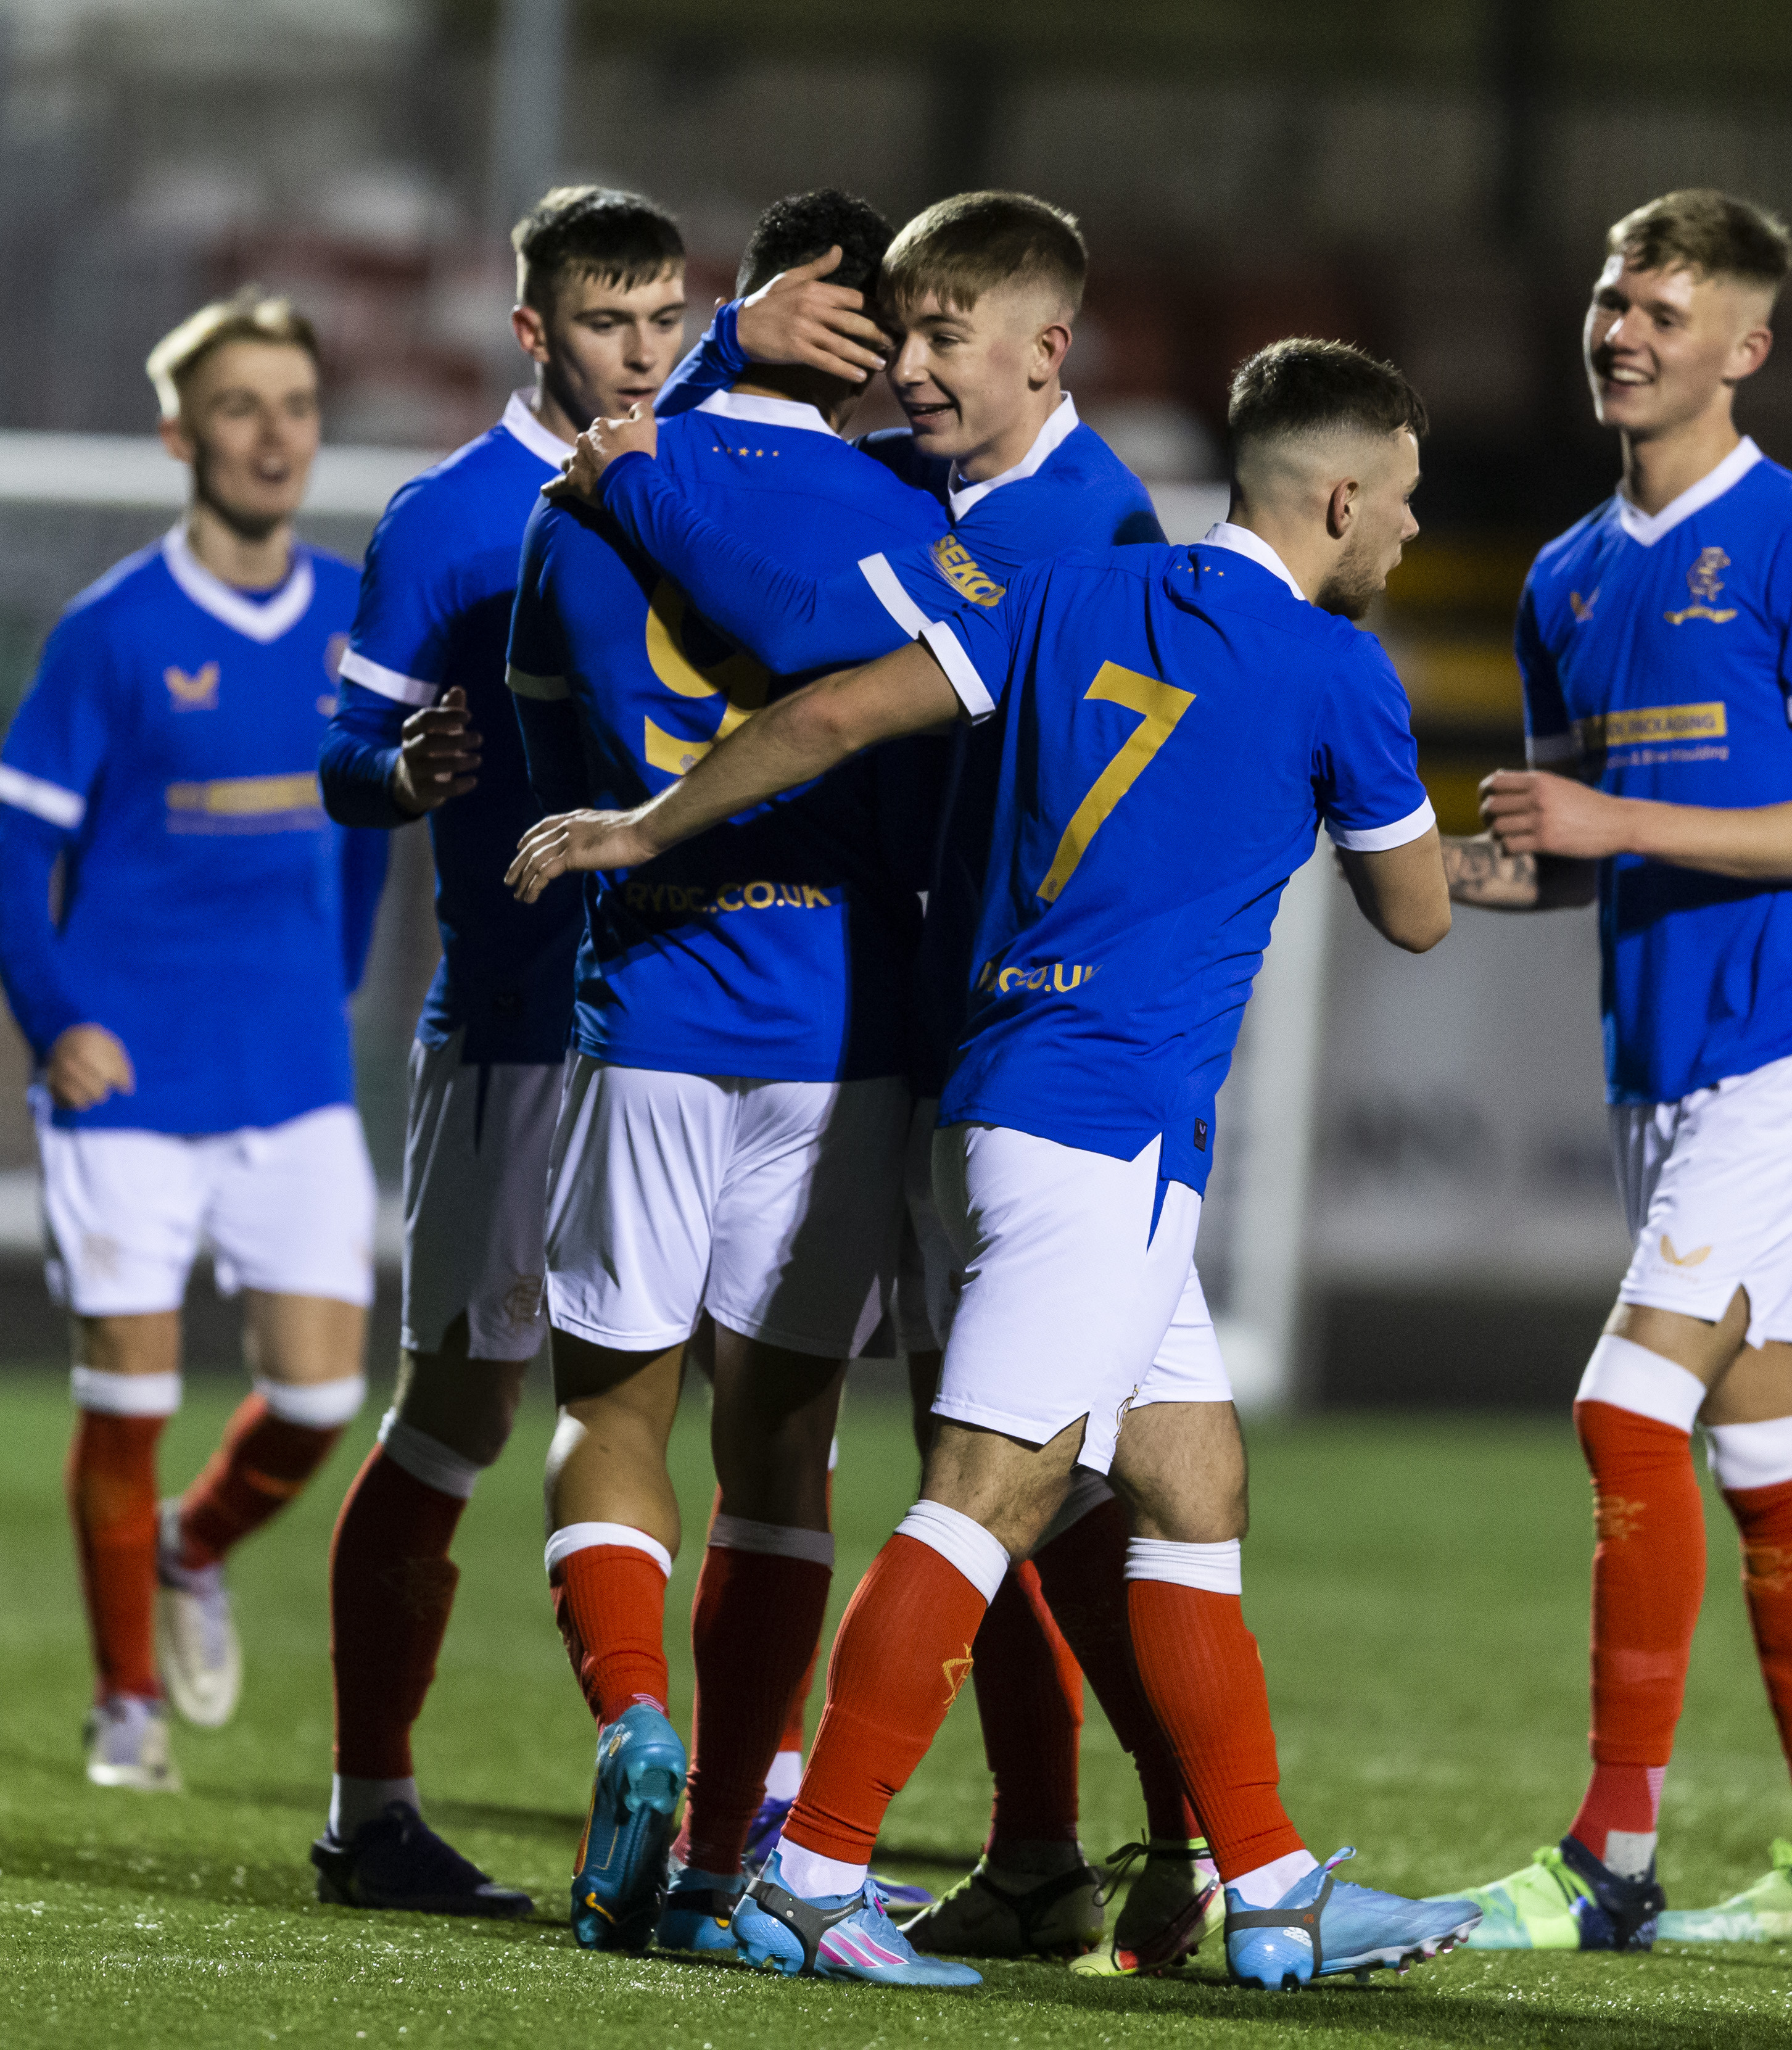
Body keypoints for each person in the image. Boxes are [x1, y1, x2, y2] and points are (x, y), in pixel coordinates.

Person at [510, 337, 1479, 1993]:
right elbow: (1416, 911)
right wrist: (1524, 860)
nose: (1405, 532)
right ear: (1335, 497)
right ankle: (812, 1870)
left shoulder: (1066, 596)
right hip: (1104, 1132)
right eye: (1397, 502)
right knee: (989, 1499)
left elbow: (826, 713)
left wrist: (646, 824)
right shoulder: (1337, 672)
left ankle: (1274, 1887)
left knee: (1191, 1478)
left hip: (980, 1101)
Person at [563, 188, 1217, 1973]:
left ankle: (1201, 1840)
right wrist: (718, 356)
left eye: (943, 337)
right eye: (898, 335)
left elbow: (816, 646)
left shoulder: (1072, 530)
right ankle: (1039, 1849)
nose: (911, 368)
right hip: (965, 1046)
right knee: (1021, 1461)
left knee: (1103, 1474)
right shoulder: (958, 498)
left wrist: (640, 461)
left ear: (1042, 349)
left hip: (1060, 1062)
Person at [1432, 189, 1792, 1951]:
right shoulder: (1563, 577)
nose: (1622, 330)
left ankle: (1607, 1860)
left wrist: (1612, 816)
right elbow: (1560, 859)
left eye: (1663, 307)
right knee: (1765, 1450)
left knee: (1625, 1406)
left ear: (1744, 346)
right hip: (1666, 1065)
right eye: (1609, 298)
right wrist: (1383, 856)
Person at [502, 188, 949, 1954]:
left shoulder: (576, 511)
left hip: (658, 1000)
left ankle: (629, 1718)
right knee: (784, 1451)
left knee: (612, 1410)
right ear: (863, 341)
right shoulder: (908, 517)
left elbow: (550, 746)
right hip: (841, 1017)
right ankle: (712, 1862)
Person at [305, 185, 690, 1919]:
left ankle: (723, 1808)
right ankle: (369, 1808)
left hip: (691, 1035)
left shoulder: (705, 488)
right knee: (453, 1419)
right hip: (519, 1035)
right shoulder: (448, 519)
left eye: (665, 316)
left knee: (734, 1416)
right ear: (533, 331)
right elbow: (342, 755)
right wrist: (409, 777)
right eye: (609, 320)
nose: (643, 349)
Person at [0, 290, 385, 1795]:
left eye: (293, 404)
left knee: (324, 1396)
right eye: (238, 407)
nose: (272, 434)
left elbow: (365, 837)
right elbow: (10, 861)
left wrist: (318, 998)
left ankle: (188, 1546)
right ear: (179, 435)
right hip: (128, 1078)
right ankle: (124, 1703)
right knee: (129, 1394)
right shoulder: (112, 633)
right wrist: (60, 1021)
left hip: (289, 1076)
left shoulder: (356, 615)